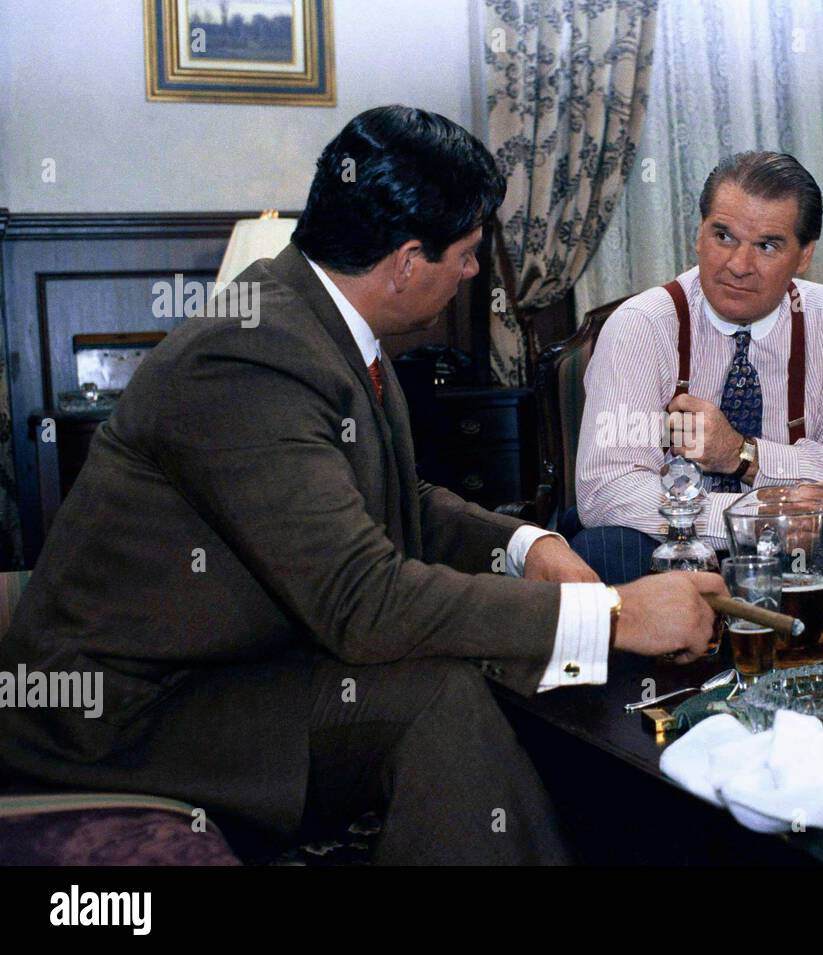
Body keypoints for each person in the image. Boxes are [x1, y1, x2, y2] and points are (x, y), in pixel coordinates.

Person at [0, 106, 725, 865]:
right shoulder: (247, 357)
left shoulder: (317, 324)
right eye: (470, 254)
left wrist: (527, 543)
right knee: (435, 699)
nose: (475, 272)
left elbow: (400, 501)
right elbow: (362, 602)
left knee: (491, 676)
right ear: (408, 260)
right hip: (126, 713)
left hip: (234, 667)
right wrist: (609, 613)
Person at [570, 151, 823, 665]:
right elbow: (605, 492)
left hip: (802, 555)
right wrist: (758, 522)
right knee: (604, 549)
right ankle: (638, 738)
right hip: (686, 552)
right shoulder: (642, 325)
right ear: (699, 233)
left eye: (768, 245)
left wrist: (747, 456)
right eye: (723, 236)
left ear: (803, 256)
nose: (738, 264)